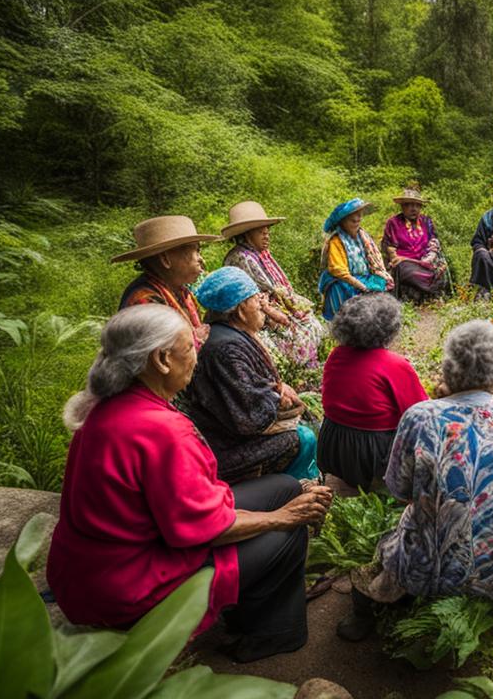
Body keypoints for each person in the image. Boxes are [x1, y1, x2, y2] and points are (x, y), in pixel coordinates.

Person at [47, 305, 332, 663]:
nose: (197, 355)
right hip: (129, 586)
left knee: (282, 487)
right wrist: (286, 518)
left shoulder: (106, 407)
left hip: (94, 570)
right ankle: (270, 634)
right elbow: (205, 530)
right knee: (289, 532)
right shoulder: (162, 430)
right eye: (189, 347)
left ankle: (254, 605)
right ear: (162, 359)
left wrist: (284, 506)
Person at [344, 320, 493, 637]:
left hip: (424, 574)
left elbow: (401, 492)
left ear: (449, 367)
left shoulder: (418, 416)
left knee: (416, 518)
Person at [178, 267, 318, 483]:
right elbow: (249, 416)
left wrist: (275, 390)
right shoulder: (226, 350)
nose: (262, 306)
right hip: (227, 447)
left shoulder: (229, 335)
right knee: (304, 437)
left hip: (231, 435)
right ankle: (294, 494)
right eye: (256, 300)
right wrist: (278, 397)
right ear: (241, 309)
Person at [318, 293, 429, 491]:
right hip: (371, 455)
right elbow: (419, 413)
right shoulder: (394, 364)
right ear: (388, 329)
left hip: (335, 446)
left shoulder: (336, 355)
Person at [221, 201, 324, 375]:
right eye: (261, 232)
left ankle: (306, 370)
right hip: (255, 314)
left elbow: (278, 288)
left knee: (310, 323)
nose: (266, 235)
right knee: (297, 334)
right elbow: (252, 297)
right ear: (247, 234)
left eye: (267, 231)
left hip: (271, 307)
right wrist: (276, 312)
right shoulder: (240, 258)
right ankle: (297, 373)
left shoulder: (261, 254)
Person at [113, 215, 219, 349]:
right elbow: (160, 357)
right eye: (196, 251)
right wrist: (194, 340)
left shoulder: (181, 291)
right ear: (165, 259)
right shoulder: (144, 303)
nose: (201, 260)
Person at [319, 197, 390, 321]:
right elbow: (339, 271)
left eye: (358, 216)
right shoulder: (336, 241)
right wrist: (362, 286)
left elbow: (372, 261)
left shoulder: (362, 237)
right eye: (352, 218)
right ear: (343, 222)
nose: (357, 220)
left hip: (363, 276)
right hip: (345, 279)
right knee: (341, 288)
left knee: (380, 282)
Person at [381, 184, 451, 303]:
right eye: (409, 205)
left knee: (440, 270)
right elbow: (390, 250)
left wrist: (429, 258)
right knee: (410, 272)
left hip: (425, 261)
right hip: (405, 263)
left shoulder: (426, 221)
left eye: (417, 205)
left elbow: (433, 243)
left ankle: (431, 294)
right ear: (402, 206)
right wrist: (397, 259)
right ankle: (431, 293)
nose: (414, 208)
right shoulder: (393, 223)